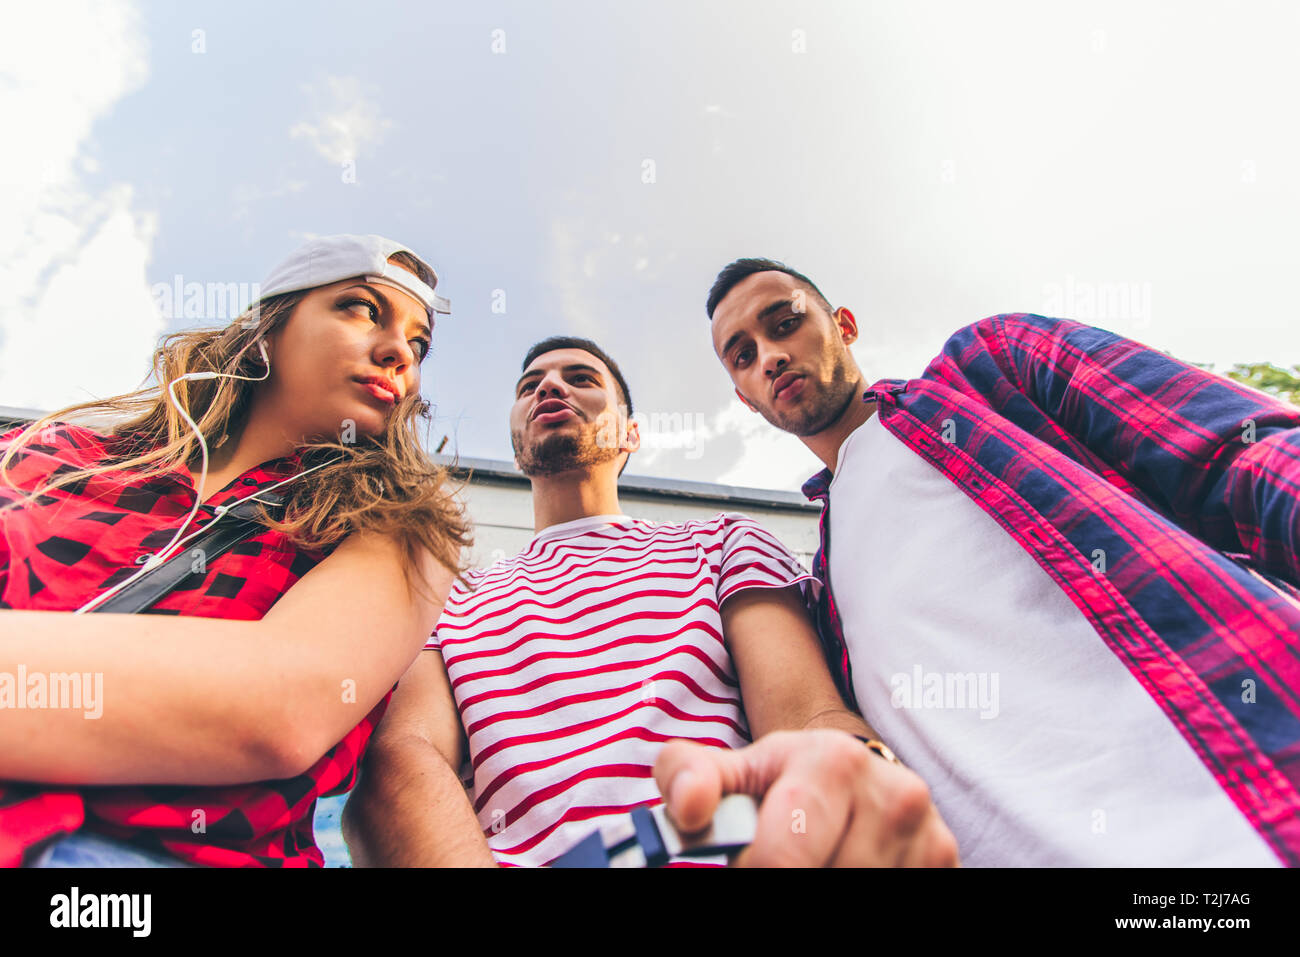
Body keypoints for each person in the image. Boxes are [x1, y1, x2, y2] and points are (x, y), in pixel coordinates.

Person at [705, 257, 1300, 866]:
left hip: (1247, 804)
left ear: (844, 325)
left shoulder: (988, 369)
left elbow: (1238, 452)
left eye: (785, 324)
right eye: (744, 356)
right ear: (744, 399)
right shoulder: (821, 594)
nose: (770, 356)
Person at [343, 335, 960, 867]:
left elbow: (804, 716)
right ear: (515, 440)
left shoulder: (723, 542)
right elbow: (401, 760)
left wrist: (859, 774)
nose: (550, 387)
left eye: (582, 378)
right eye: (531, 385)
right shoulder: (449, 598)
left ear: (631, 434)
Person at [0, 234, 470, 867]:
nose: (399, 353)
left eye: (419, 344)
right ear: (266, 330)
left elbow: (278, 707)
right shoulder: (56, 455)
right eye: (363, 309)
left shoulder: (399, 525)